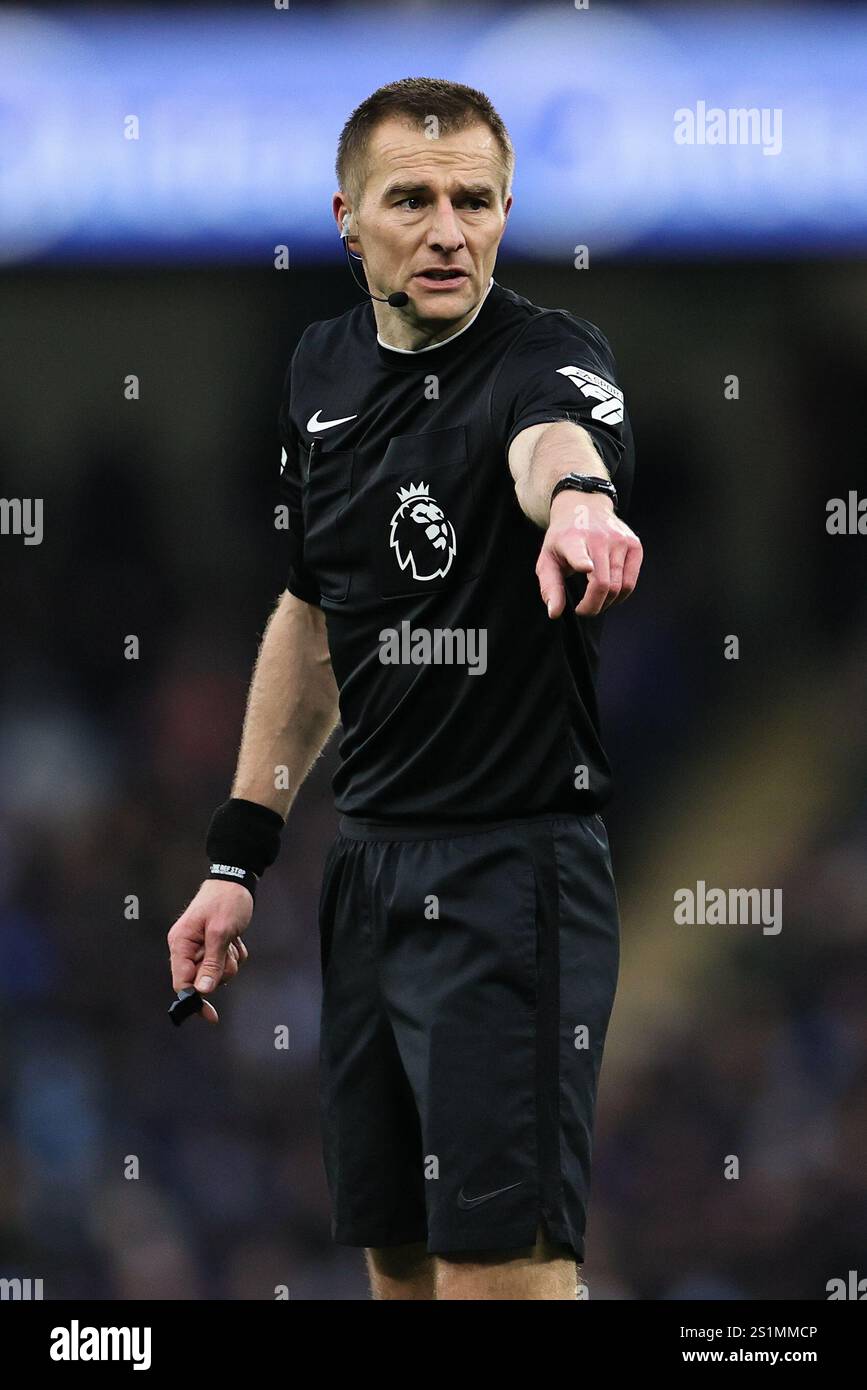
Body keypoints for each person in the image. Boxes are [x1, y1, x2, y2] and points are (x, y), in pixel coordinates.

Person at [168, 77, 643, 1301]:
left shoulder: (549, 356)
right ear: (346, 215)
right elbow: (313, 614)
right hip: (370, 872)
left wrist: (581, 505)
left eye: (476, 200)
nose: (448, 229)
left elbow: (559, 446)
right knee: (404, 1265)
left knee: (504, 1275)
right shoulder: (320, 369)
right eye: (413, 199)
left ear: (505, 211)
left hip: (509, 872)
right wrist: (236, 853)